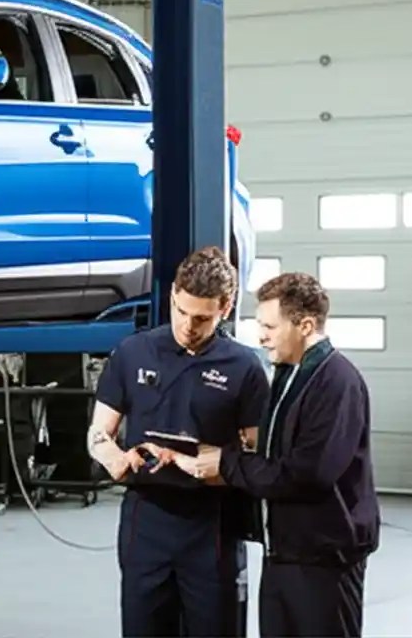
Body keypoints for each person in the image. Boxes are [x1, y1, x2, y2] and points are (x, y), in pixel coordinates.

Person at [151, 271, 381, 638]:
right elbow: (271, 451)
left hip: (324, 560)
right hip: (285, 552)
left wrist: (226, 465)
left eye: (270, 327)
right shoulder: (290, 375)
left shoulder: (336, 382)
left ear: (305, 325)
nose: (261, 336)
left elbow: (307, 474)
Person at [87, 246, 271, 637]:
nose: (188, 325)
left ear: (225, 307)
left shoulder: (244, 368)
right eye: (182, 312)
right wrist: (113, 457)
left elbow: (258, 455)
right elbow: (99, 432)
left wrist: (219, 463)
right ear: (172, 295)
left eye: (202, 319)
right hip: (146, 521)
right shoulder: (132, 353)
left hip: (212, 525)